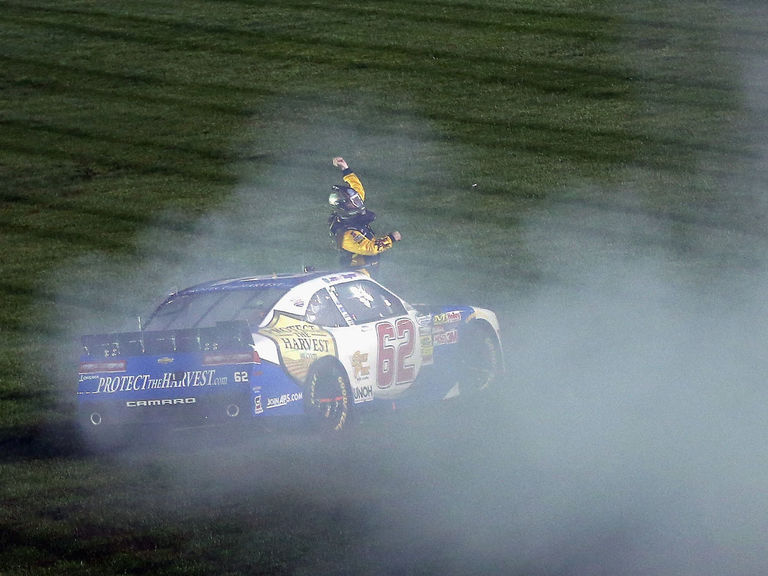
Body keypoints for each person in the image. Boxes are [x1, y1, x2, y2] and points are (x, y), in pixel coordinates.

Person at [327, 156, 401, 276]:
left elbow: (357, 188)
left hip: (368, 268)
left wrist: (345, 169)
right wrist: (391, 238)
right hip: (357, 273)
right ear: (345, 209)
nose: (358, 202)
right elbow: (370, 248)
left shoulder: (352, 208)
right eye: (354, 202)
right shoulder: (345, 235)